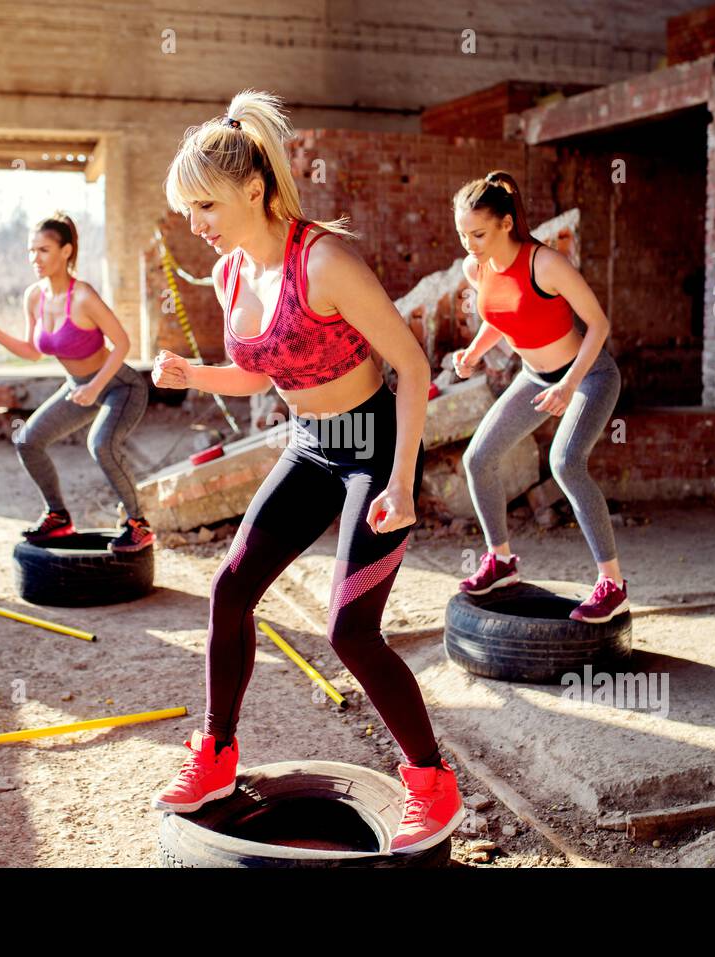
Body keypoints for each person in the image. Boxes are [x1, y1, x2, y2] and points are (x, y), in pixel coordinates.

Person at [148, 89, 463, 854]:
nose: (195, 223)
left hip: (374, 444)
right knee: (229, 588)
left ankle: (432, 780)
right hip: (309, 444)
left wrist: (399, 479)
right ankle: (218, 754)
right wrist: (194, 373)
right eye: (187, 208)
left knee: (349, 630)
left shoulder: (322, 259)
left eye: (205, 205)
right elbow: (259, 377)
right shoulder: (229, 276)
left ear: (253, 190)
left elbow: (414, 366)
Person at [451, 171, 629, 623]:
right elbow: (505, 313)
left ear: (506, 224)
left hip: (588, 376)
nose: (469, 244)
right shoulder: (477, 267)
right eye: (462, 234)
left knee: (566, 463)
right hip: (534, 376)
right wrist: (473, 352)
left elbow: (599, 325)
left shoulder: (545, 264)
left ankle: (612, 584)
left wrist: (570, 386)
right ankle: (502, 563)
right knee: (478, 459)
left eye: (478, 234)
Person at [0, 212, 153, 552]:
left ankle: (138, 524)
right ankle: (58, 516)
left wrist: (95, 387)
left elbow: (123, 343)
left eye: (43, 250)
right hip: (79, 386)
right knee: (28, 440)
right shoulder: (34, 297)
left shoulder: (83, 296)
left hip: (119, 386)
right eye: (31, 251)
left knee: (101, 445)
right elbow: (32, 351)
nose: (34, 259)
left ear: (66, 251)